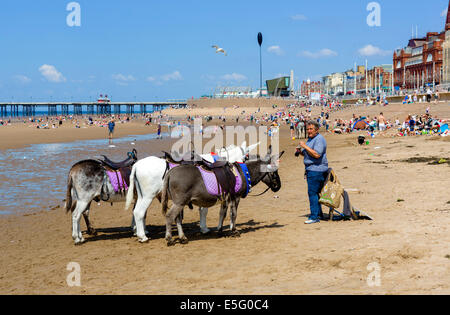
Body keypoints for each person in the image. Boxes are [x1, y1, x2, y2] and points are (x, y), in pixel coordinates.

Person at [296, 121, 329, 224]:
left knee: (312, 193)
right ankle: (318, 214)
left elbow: (317, 155)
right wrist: (300, 152)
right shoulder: (311, 139)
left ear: (316, 130)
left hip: (316, 170)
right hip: (311, 169)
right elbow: (309, 155)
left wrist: (304, 146)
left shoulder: (319, 139)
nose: (309, 131)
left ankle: (314, 216)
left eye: (311, 129)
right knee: (315, 193)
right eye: (308, 129)